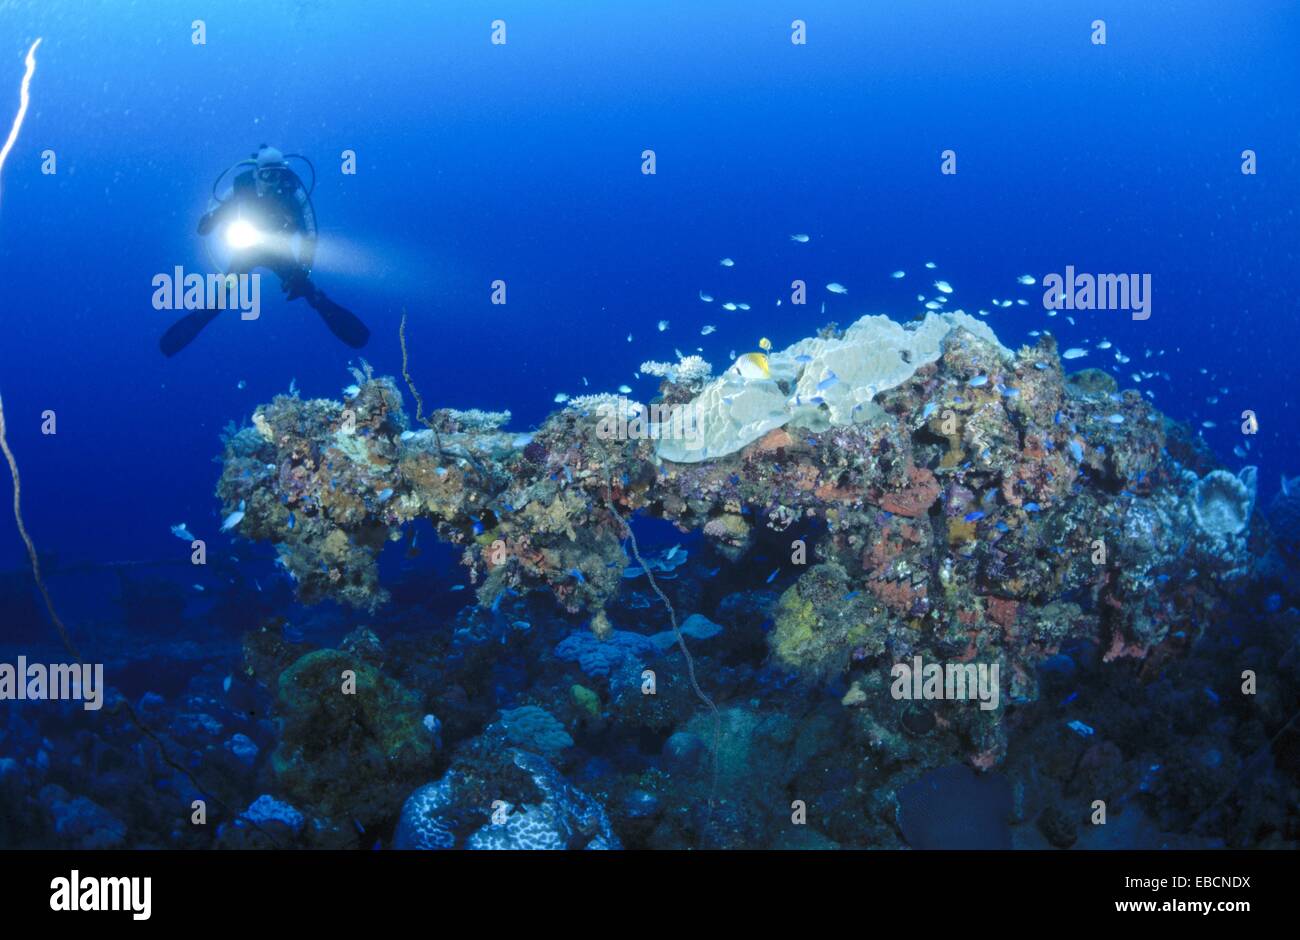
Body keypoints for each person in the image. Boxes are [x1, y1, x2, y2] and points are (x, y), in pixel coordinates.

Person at [159, 145, 370, 356]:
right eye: (267, 174)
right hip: (248, 249)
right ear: (256, 173)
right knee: (223, 293)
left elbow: (310, 236)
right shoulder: (241, 187)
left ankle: (329, 310)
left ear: (284, 173)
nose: (272, 181)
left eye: (277, 174)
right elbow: (208, 221)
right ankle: (199, 318)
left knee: (308, 290)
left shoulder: (293, 191)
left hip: (279, 251)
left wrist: (303, 270)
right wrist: (213, 219)